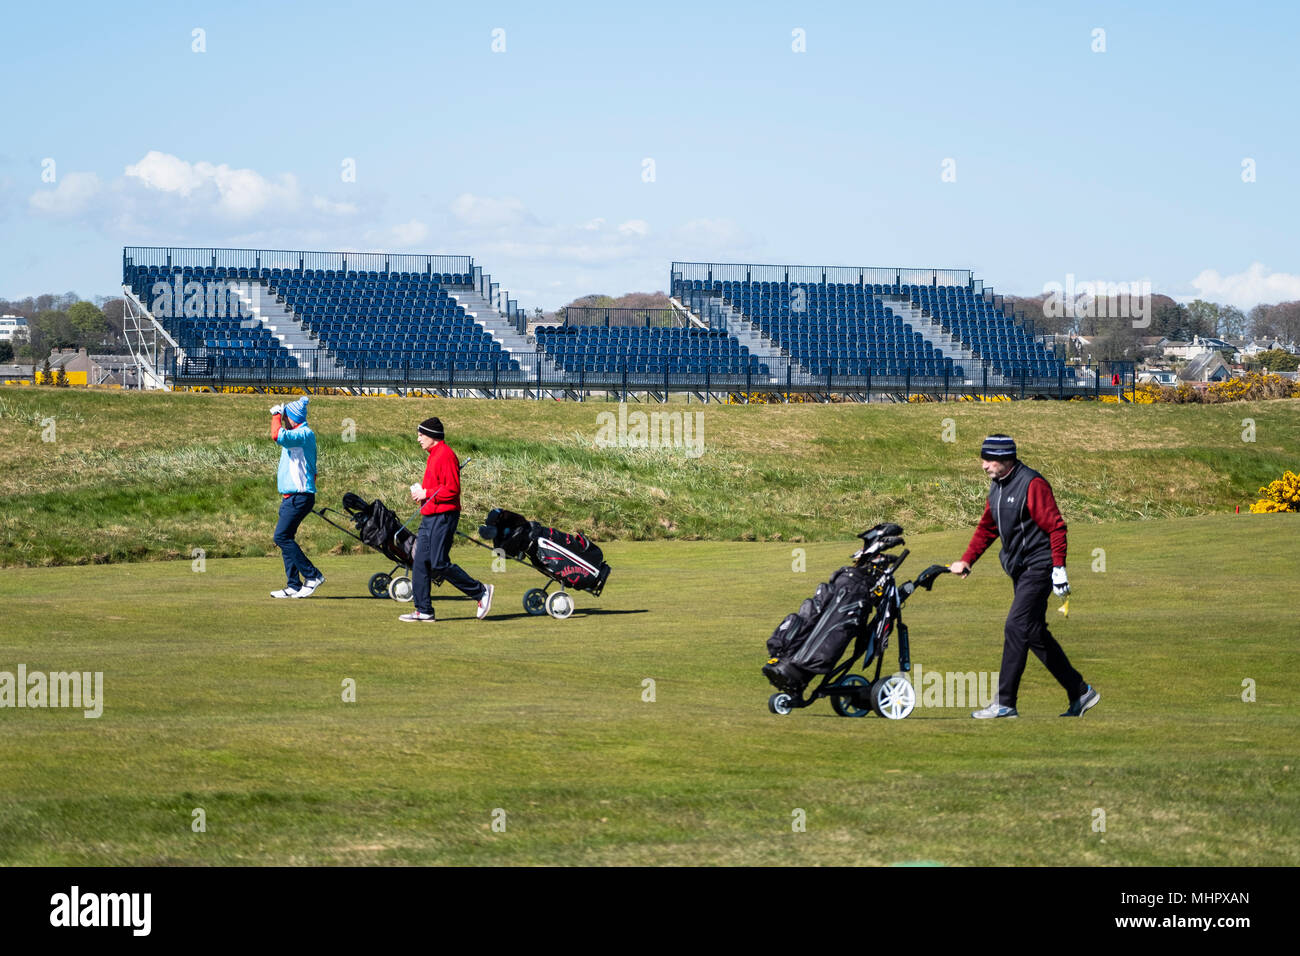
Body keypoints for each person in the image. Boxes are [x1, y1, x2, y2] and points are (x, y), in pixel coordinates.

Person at [948, 434, 1099, 718]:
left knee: (1015, 626)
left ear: (1006, 459)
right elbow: (987, 527)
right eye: (983, 459)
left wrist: (1058, 569)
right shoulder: (998, 486)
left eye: (989, 460)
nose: (984, 466)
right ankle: (1080, 691)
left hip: (1039, 567)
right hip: (1019, 568)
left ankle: (1005, 703)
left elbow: (1056, 527)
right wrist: (968, 559)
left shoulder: (1032, 484)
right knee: (1033, 633)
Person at [400, 417, 493, 623]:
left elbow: (452, 490)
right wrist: (424, 494)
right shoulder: (434, 455)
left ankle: (480, 592)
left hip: (443, 516)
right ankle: (423, 610)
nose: (418, 439)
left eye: (421, 435)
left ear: (432, 436)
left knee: (438, 563)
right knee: (420, 563)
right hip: (430, 515)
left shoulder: (445, 455)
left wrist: (426, 493)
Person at [269, 397, 324, 598]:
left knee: (281, 536)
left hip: (299, 497)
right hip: (290, 497)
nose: (283, 420)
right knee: (286, 538)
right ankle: (293, 585)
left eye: (285, 417)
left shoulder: (304, 434)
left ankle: (313, 575)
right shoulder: (296, 434)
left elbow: (277, 435)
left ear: (292, 418)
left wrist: (275, 415)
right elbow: (281, 435)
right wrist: (280, 415)